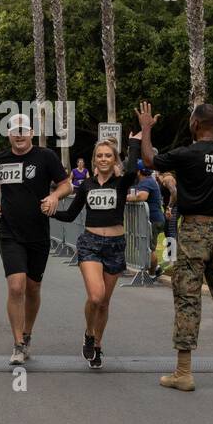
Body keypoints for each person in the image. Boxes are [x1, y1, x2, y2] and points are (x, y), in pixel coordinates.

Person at [138, 101, 213, 392]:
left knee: (187, 299)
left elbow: (149, 160)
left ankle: (184, 373)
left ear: (196, 124)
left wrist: (147, 128)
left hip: (192, 231)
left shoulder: (187, 154)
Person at [0, 113, 73, 365]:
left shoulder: (45, 157)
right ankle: (18, 344)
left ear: (31, 132)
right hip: (10, 232)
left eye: (24, 129)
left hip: (38, 234)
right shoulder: (0, 159)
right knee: (16, 286)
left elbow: (66, 184)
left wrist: (55, 196)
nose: (20, 134)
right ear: (9, 134)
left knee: (33, 288)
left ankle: (27, 333)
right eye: (15, 130)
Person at [54, 136, 142, 368]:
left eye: (108, 155)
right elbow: (70, 214)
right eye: (100, 155)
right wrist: (48, 211)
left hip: (115, 245)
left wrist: (133, 143)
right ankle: (88, 333)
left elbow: (133, 170)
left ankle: (98, 344)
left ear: (114, 160)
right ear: (94, 160)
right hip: (90, 244)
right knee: (96, 296)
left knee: (104, 303)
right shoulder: (87, 185)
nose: (104, 159)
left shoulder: (121, 183)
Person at [128, 160, 166, 278]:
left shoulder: (146, 182)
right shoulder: (149, 180)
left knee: (150, 248)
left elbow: (142, 196)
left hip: (153, 220)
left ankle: (153, 273)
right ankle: (156, 268)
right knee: (145, 246)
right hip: (154, 219)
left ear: (139, 172)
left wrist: (127, 198)